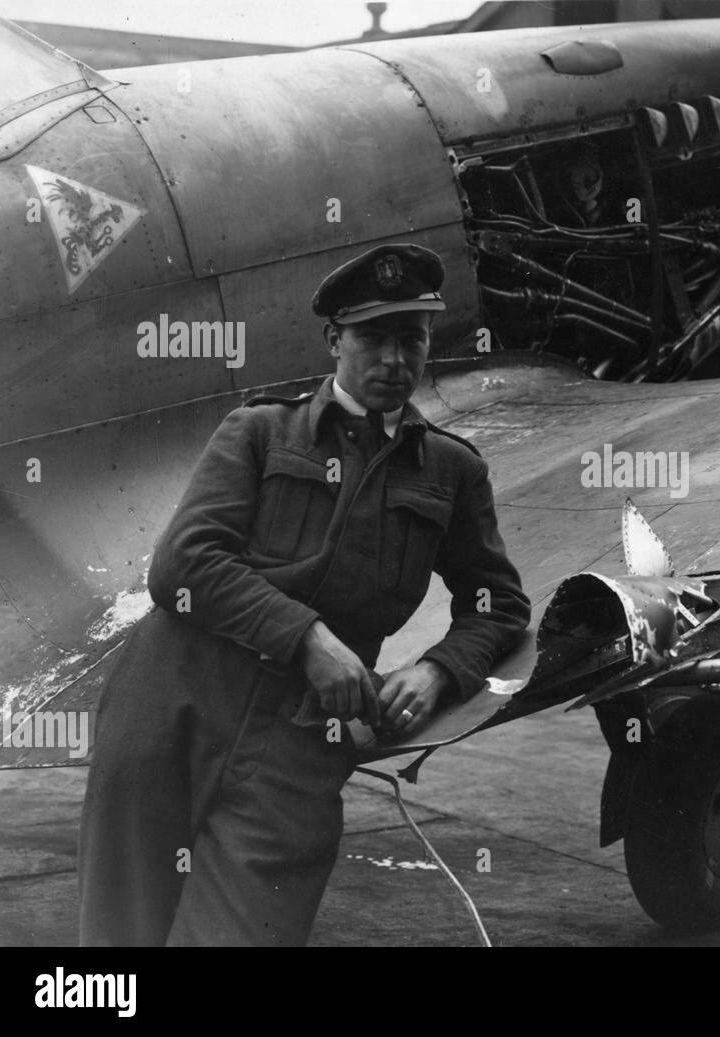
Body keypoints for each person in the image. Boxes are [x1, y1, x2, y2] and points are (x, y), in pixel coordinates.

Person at [78, 243, 531, 946]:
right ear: (334, 340)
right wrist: (310, 638)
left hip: (297, 744)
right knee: (116, 948)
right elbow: (182, 567)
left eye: (410, 340)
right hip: (171, 708)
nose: (393, 360)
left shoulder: (451, 470)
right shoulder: (257, 432)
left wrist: (438, 668)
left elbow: (497, 603)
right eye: (372, 338)